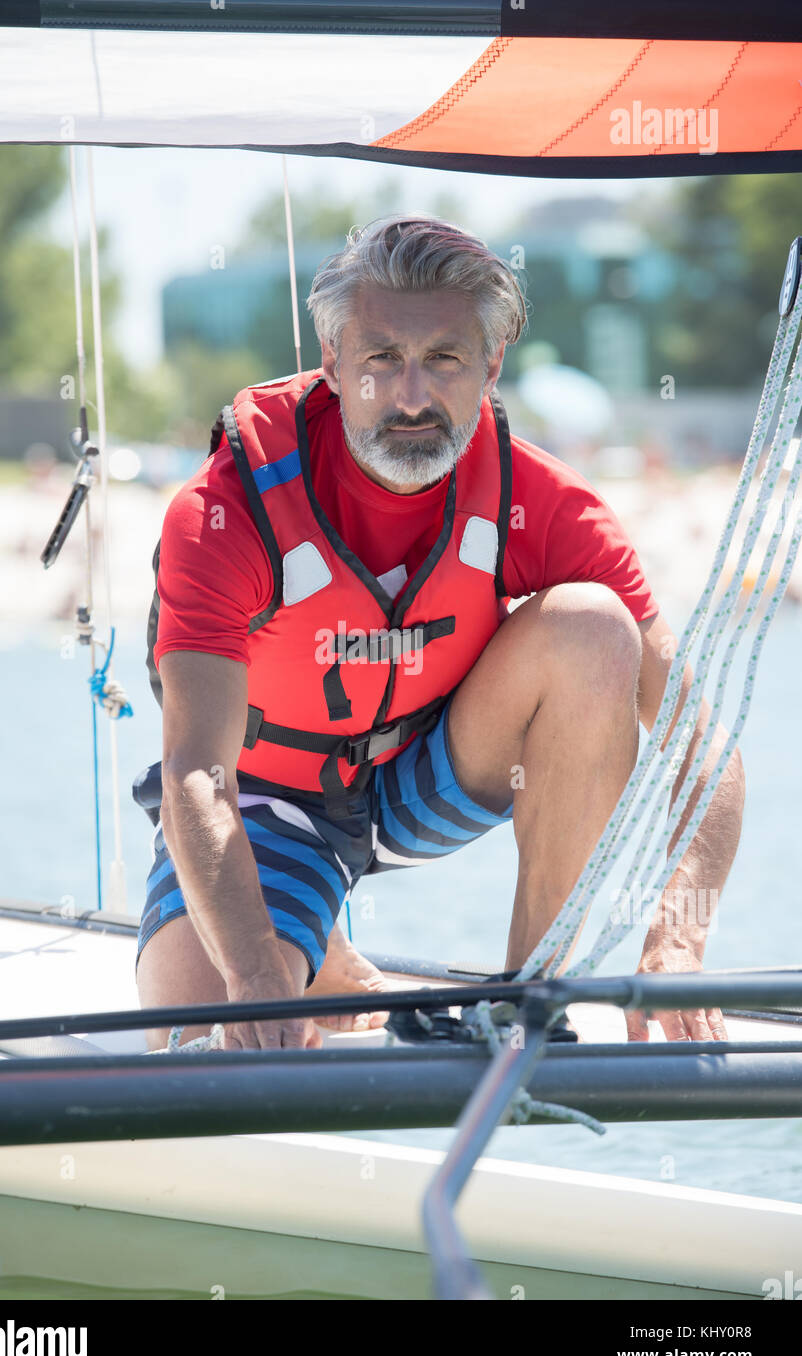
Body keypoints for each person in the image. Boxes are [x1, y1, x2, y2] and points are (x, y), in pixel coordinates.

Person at [132, 216, 744, 1052]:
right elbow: (196, 774)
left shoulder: (542, 504)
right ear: (335, 361)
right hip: (271, 800)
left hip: (428, 777)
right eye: (382, 359)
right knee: (198, 1027)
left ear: (491, 366)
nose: (412, 396)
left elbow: (705, 738)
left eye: (445, 360)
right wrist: (256, 982)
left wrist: (679, 938)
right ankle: (314, 939)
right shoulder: (223, 512)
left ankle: (533, 996)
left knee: (596, 629)